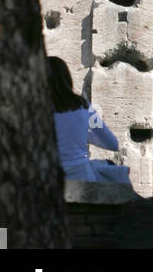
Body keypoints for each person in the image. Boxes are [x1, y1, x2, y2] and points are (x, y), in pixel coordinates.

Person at [47, 56, 132, 185]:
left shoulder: (35, 110)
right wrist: (83, 135)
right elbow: (112, 144)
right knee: (108, 166)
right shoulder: (83, 105)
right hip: (82, 179)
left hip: (52, 181)